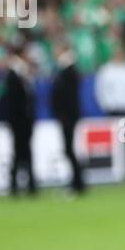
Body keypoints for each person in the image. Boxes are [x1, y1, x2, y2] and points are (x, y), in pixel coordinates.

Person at [3, 47, 37, 196]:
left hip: (24, 120)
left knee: (22, 153)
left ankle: (25, 186)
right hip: (19, 121)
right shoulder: (14, 75)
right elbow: (15, 102)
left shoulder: (22, 74)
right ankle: (18, 186)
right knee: (20, 153)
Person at [50, 48, 85, 195]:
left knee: (69, 149)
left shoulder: (68, 73)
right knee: (69, 149)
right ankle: (77, 182)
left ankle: (77, 183)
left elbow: (66, 97)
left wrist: (63, 115)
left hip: (68, 117)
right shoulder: (70, 72)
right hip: (69, 116)